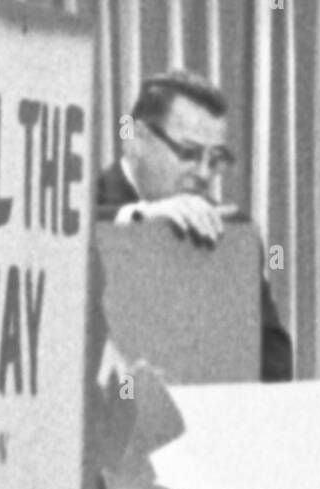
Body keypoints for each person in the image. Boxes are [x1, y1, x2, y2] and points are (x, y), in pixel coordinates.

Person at [97, 69, 293, 384]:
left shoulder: (231, 231)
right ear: (135, 140)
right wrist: (142, 217)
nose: (204, 173)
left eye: (215, 158)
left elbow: (272, 353)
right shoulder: (76, 208)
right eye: (188, 153)